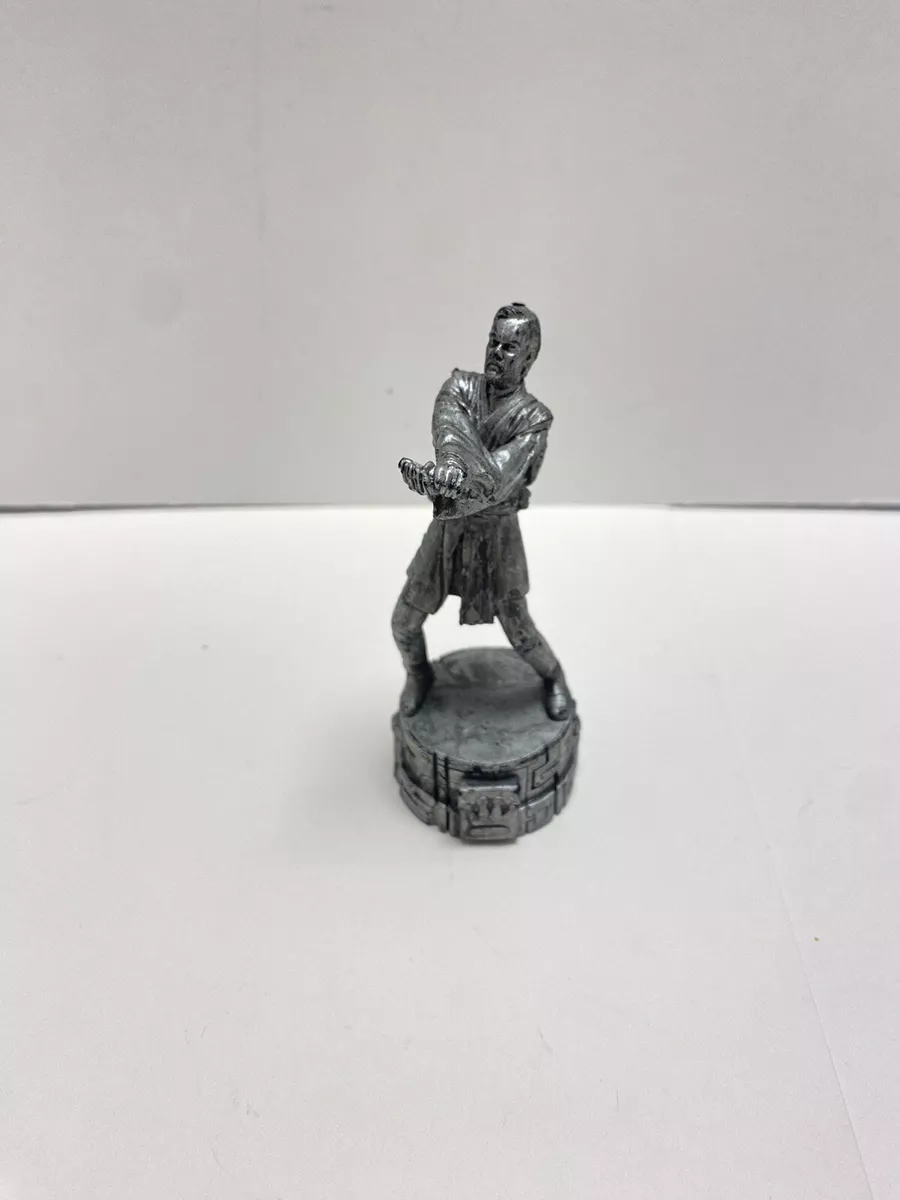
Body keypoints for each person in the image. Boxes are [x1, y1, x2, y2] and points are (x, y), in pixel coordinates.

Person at [392, 302, 573, 721]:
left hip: (497, 532)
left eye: (509, 347)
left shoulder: (533, 420)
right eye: (493, 341)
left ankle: (555, 677)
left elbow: (498, 478)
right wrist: (446, 473)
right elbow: (450, 431)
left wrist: (452, 485)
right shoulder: (459, 387)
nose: (496, 352)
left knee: (519, 629)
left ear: (529, 357)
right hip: (449, 528)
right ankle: (418, 673)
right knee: (403, 621)